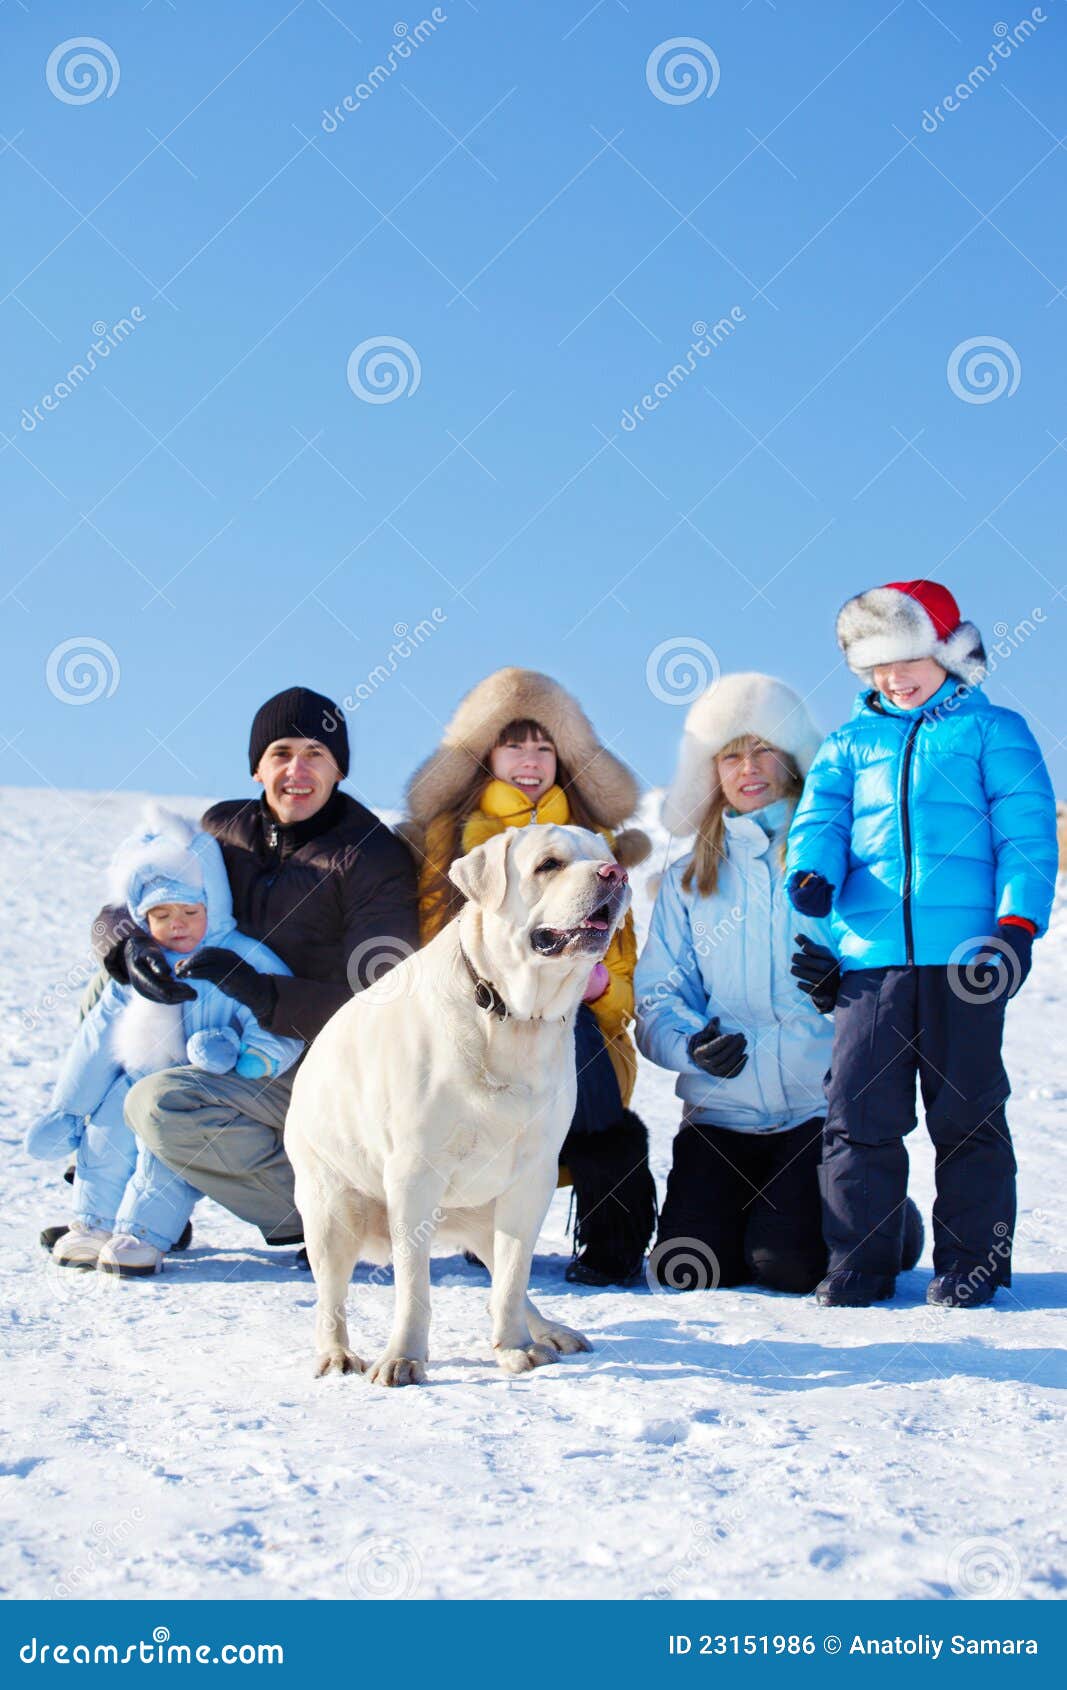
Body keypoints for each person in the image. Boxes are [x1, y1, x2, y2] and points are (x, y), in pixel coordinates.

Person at [787, 580, 1057, 1307]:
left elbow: (1026, 836)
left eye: (906, 660)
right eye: (876, 666)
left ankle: (970, 1264)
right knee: (856, 1117)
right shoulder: (847, 745)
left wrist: (1016, 925)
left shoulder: (992, 731)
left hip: (965, 957)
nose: (893, 678)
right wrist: (810, 872)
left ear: (944, 652)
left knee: (966, 1115)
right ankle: (859, 1265)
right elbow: (820, 821)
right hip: (868, 960)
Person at [87, 686, 420, 1252]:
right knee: (109, 983)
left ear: (339, 768)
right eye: (281, 752)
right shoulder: (223, 829)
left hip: (323, 1068)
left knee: (159, 1103)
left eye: (316, 753)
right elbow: (139, 892)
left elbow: (382, 1001)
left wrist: (265, 994)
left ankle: (329, 1221)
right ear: (257, 767)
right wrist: (124, 943)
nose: (297, 769)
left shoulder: (372, 856)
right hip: (223, 1030)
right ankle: (109, 1192)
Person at [636, 672, 923, 1294]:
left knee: (785, 1265)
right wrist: (690, 1045)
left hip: (815, 1112)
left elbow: (887, 976)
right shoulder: (688, 880)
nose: (749, 768)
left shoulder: (842, 860)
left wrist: (839, 994)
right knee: (688, 1269)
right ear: (711, 771)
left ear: (793, 760)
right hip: (721, 1116)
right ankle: (760, 1214)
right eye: (731, 754)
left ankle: (890, 1219)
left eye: (763, 748)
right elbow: (658, 997)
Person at [403, 667, 657, 1285]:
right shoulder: (445, 841)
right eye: (514, 743)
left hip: (577, 1024)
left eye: (545, 746)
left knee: (576, 1043)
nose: (530, 758)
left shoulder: (598, 847)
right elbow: (420, 937)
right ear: (485, 754)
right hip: (464, 1019)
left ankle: (611, 1230)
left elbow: (620, 963)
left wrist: (602, 989)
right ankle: (464, 1218)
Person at [27, 808, 302, 1276]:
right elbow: (95, 1040)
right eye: (159, 914)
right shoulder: (141, 964)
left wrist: (255, 1057)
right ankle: (93, 1223)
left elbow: (276, 1012)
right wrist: (68, 1109)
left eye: (190, 912)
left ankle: (144, 1233)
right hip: (142, 1067)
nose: (176, 925)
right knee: (107, 1125)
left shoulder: (241, 956)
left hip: (207, 1076)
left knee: (165, 1142)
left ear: (211, 904)